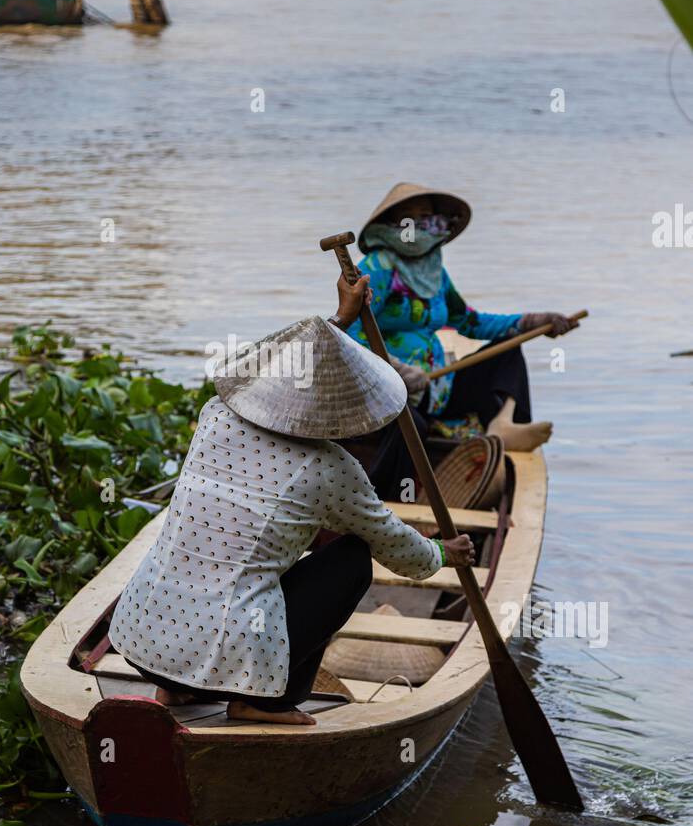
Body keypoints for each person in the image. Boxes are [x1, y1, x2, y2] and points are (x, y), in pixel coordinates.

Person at [108, 309, 474, 727]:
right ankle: (264, 702)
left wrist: (338, 319)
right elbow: (394, 544)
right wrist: (443, 554)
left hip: (140, 641)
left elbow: (284, 357)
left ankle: (175, 688)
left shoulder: (214, 417)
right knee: (353, 556)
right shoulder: (332, 469)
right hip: (224, 660)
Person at [338, 182, 577, 496]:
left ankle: (503, 426)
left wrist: (531, 322)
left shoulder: (433, 270)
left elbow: (469, 321)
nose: (424, 226)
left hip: (437, 387)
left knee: (507, 354)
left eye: (429, 218)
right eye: (413, 219)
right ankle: (393, 502)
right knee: (412, 428)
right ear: (394, 225)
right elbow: (351, 337)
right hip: (393, 394)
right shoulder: (377, 269)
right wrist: (395, 371)